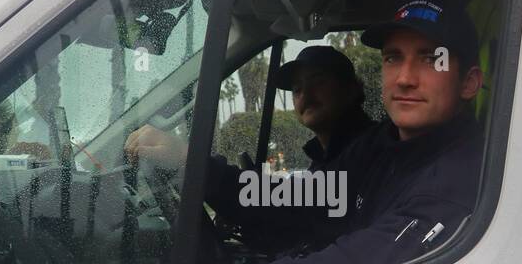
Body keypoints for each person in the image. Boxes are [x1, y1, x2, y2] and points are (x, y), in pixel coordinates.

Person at [65, 0, 484, 264]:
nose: (405, 77)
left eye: (432, 59)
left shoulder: (455, 180)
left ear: (469, 82)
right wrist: (192, 165)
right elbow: (293, 202)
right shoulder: (382, 147)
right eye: (394, 58)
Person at [124, 45, 373, 252]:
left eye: (317, 82)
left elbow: (297, 201)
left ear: (351, 89)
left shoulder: (366, 150)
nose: (305, 94)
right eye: (297, 88)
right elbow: (302, 214)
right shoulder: (328, 156)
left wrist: (187, 159)